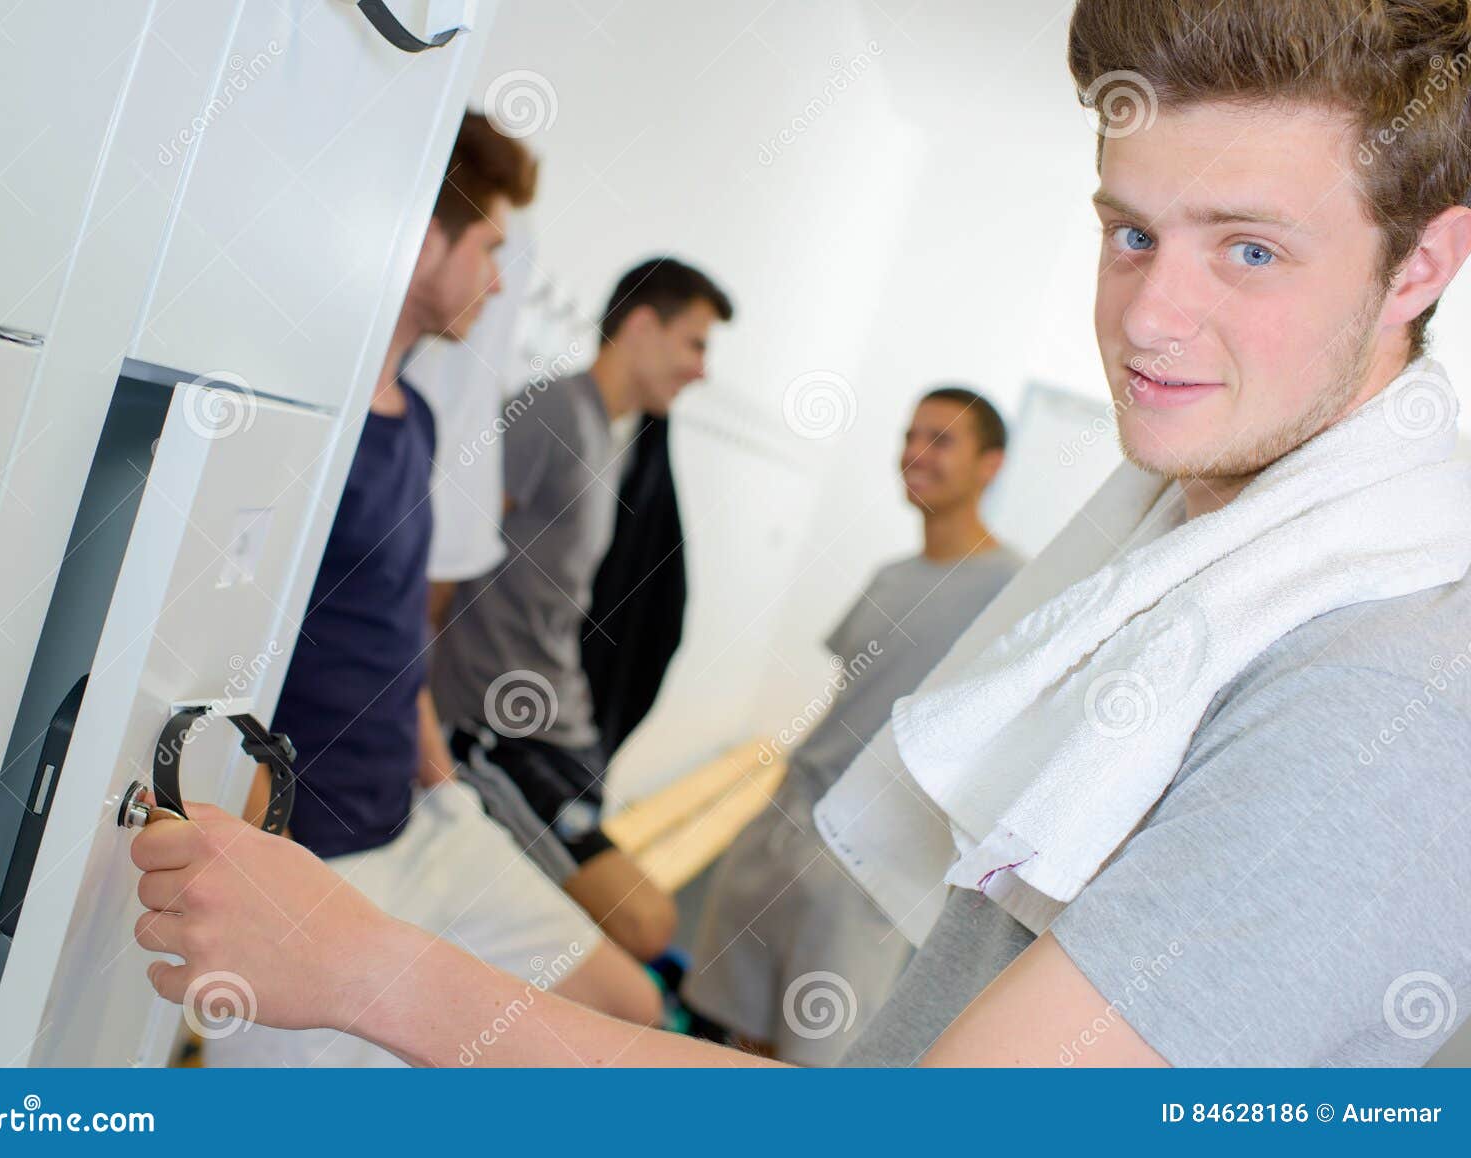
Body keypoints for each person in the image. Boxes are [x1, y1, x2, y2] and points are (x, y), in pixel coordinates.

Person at [135, 0, 1471, 1067]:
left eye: (1249, 250)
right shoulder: (1180, 549)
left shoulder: (1387, 715)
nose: (1148, 318)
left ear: (1421, 263)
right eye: (1131, 232)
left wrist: (371, 967)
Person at [212, 112, 660, 1067]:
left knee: (629, 1007)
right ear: (428, 238)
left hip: (423, 821)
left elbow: (395, 635)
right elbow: (217, 647)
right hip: (316, 856)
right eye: (491, 248)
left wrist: (443, 785)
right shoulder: (298, 428)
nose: (499, 280)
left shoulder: (411, 418)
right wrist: (264, 864)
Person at [682, 388, 1023, 1064]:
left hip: (869, 863)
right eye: (910, 434)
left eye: (941, 439)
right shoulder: (891, 576)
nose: (914, 454)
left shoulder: (1011, 590)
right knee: (733, 1044)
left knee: (817, 1063)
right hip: (786, 825)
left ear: (990, 464)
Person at [431, 258, 733, 962]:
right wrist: (418, 715)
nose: (702, 370)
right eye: (694, 343)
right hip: (495, 730)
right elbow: (445, 557)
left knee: (596, 946)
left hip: (561, 732)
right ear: (638, 325)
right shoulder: (552, 412)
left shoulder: (611, 435)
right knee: (644, 925)